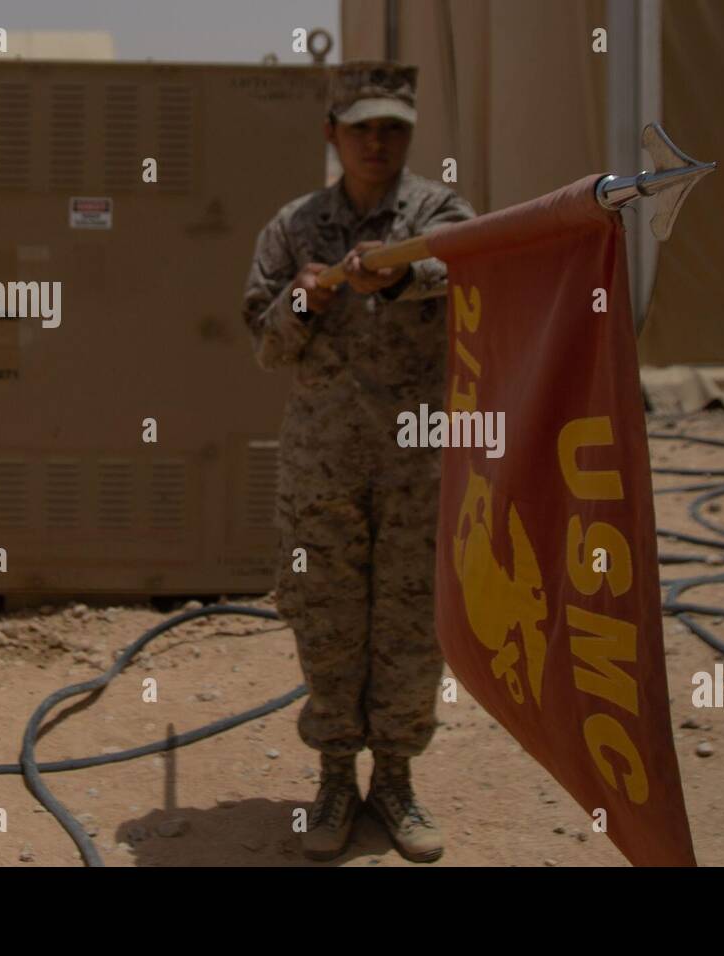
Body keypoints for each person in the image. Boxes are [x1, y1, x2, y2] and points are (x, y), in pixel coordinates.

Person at [241, 60, 475, 862]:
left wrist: (404, 271)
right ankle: (337, 778)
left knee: (413, 628)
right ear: (331, 132)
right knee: (329, 622)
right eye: (362, 127)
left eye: (393, 128)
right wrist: (302, 301)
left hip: (420, 467)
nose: (378, 142)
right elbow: (264, 348)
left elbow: (475, 272)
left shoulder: (438, 213)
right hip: (324, 469)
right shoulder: (293, 226)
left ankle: (398, 781)